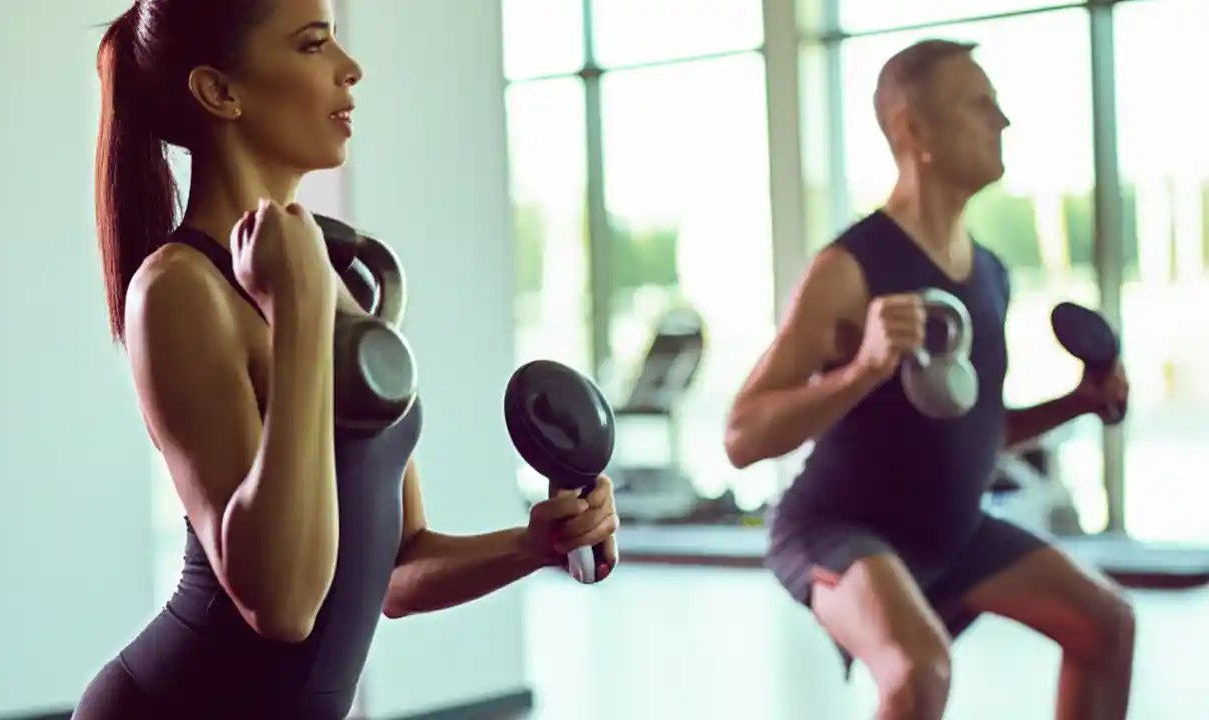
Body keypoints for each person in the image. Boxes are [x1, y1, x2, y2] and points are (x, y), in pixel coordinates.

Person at [73, 1, 619, 718]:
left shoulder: (325, 276)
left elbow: (397, 568)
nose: (350, 68)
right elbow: (282, 603)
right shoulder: (180, 288)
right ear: (220, 92)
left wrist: (533, 543)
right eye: (312, 45)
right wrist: (297, 313)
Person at [724, 39, 1134, 720]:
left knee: (1107, 625)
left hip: (953, 529)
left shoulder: (991, 272)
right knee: (918, 671)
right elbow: (741, 437)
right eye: (979, 105)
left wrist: (1077, 404)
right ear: (913, 130)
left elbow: (974, 434)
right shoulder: (849, 268)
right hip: (836, 527)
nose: (1001, 122)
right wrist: (864, 369)